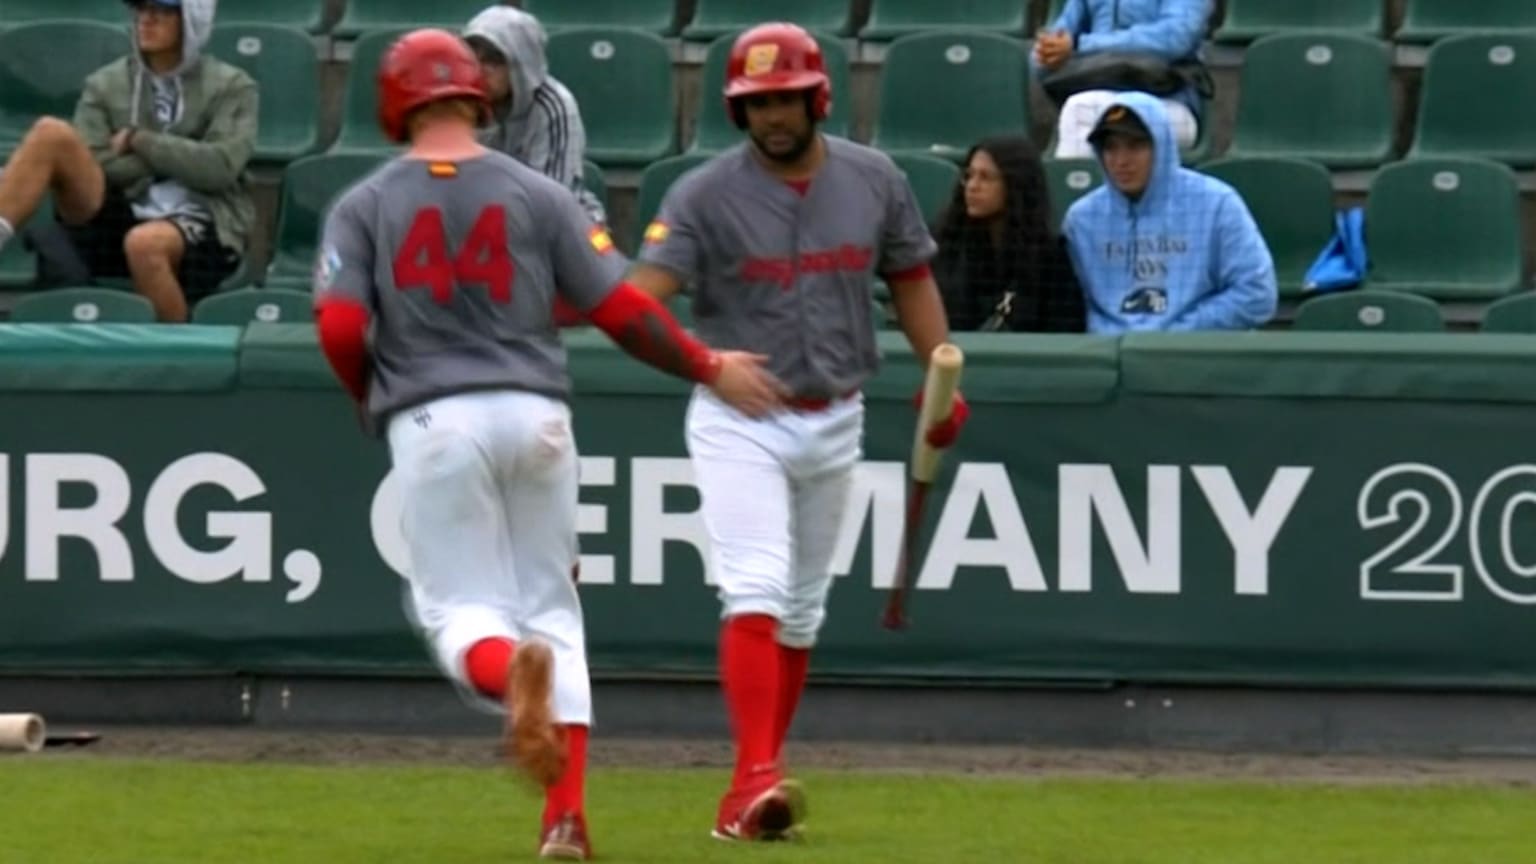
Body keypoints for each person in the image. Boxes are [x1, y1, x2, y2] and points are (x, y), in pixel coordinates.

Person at [310, 29, 786, 861]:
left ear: (392, 104)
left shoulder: (366, 201)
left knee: (459, 614)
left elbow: (342, 325)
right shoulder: (538, 192)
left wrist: (364, 394)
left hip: (434, 417)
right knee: (554, 612)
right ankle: (565, 821)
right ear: (476, 97)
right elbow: (622, 308)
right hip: (537, 414)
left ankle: (509, 677)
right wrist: (708, 365)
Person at [624, 22, 971, 843]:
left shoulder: (874, 178)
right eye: (757, 103)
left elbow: (910, 278)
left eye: (785, 99)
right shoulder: (703, 194)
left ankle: (753, 796)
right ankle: (755, 780)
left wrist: (942, 377)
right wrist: (706, 365)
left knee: (804, 611)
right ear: (737, 111)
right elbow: (637, 303)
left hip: (836, 412)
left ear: (818, 97)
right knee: (755, 587)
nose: (773, 116)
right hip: (740, 417)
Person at [0, 0, 256, 321]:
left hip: (203, 221)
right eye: (141, 10)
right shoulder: (105, 83)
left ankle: (177, 343)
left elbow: (220, 168)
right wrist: (182, 157)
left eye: (161, 11)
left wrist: (139, 141)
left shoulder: (232, 86)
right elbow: (96, 161)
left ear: (191, 20)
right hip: (120, 208)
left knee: (144, 244)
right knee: (50, 133)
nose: (146, 20)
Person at [1062, 93, 1277, 334]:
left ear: (1161, 146)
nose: (1121, 161)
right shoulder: (1082, 218)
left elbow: (1257, 293)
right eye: (1110, 148)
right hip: (1109, 351)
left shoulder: (1217, 203)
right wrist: (1117, 343)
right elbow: (1073, 305)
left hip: (1193, 348)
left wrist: (1175, 335)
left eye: (1135, 146)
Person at [462, 5, 607, 226]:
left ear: (521, 63)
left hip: (560, 226)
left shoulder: (553, 106)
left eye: (493, 60)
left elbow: (552, 202)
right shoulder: (461, 101)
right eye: (473, 58)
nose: (481, 70)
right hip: (483, 219)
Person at [932, 136, 1085, 333]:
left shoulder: (1050, 258)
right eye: (969, 175)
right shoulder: (945, 245)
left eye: (986, 177)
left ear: (1015, 184)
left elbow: (1064, 329)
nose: (972, 186)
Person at [1032, 0, 1211, 159]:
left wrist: (1083, 45)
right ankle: (1082, 185)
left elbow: (1175, 38)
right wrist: (1048, 53)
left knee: (1081, 109)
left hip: (1170, 104)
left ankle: (1077, 185)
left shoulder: (1082, 45)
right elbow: (1043, 56)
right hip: (1099, 97)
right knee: (1084, 111)